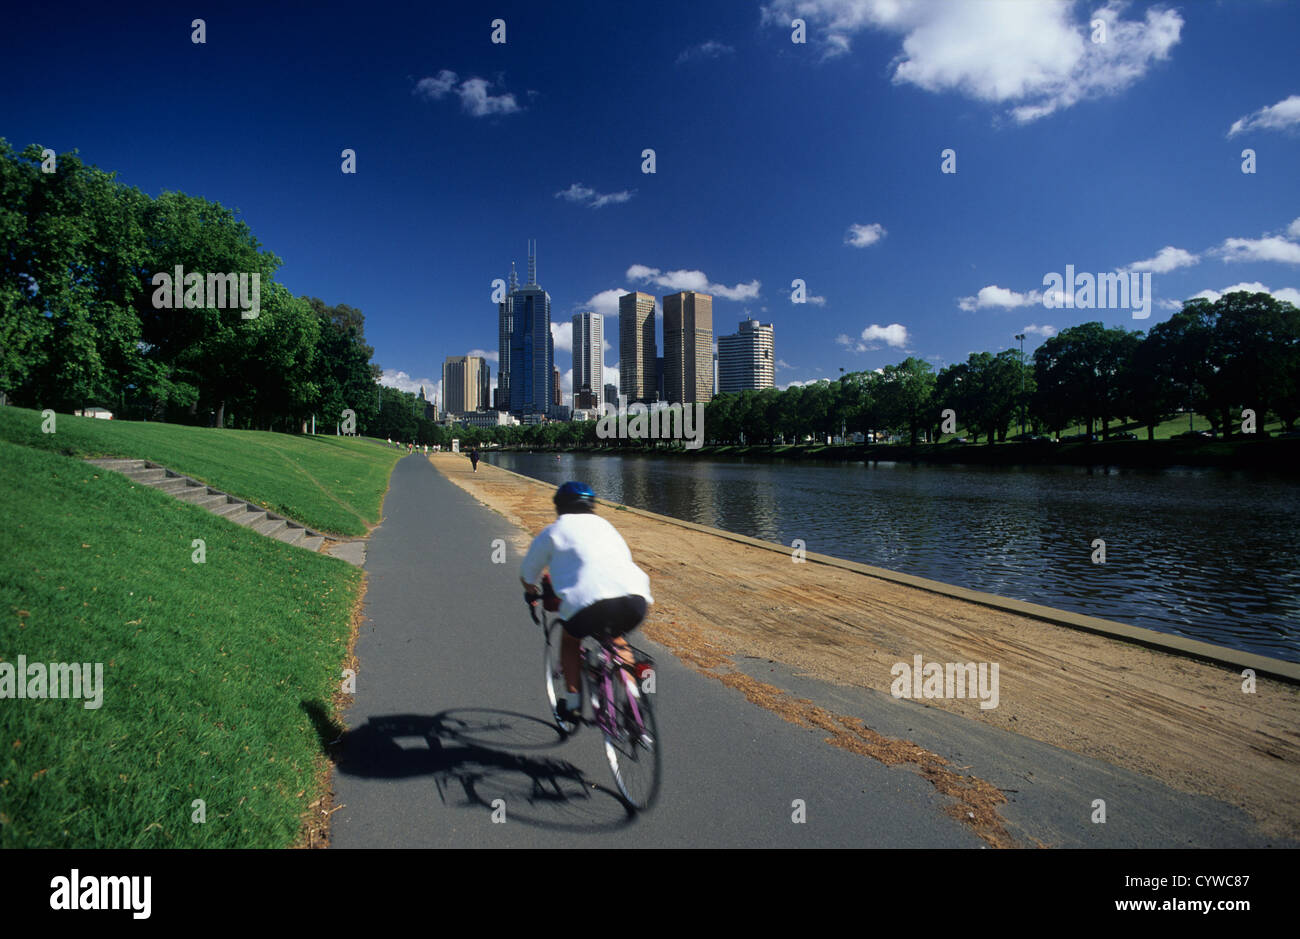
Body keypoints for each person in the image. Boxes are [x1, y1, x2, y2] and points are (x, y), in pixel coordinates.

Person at [521, 482, 653, 724]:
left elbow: (528, 574)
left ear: (559, 507)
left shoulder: (553, 532)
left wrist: (531, 593)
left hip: (586, 603)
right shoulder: (607, 527)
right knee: (616, 637)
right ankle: (633, 701)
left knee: (570, 641)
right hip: (635, 598)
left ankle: (572, 706)